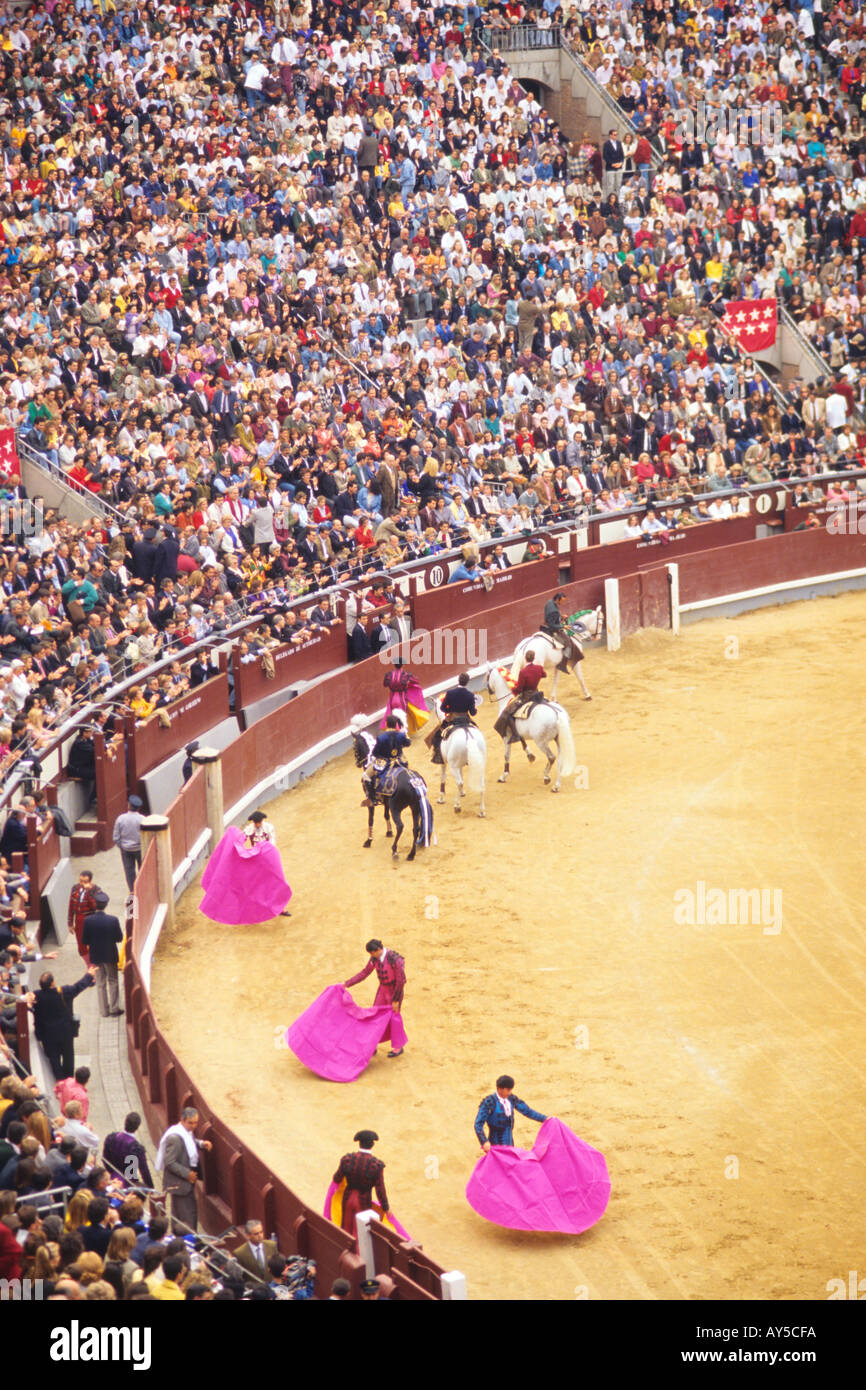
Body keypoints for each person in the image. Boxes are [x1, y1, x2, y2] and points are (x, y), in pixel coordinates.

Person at [29, 967, 97, 1080]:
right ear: (53, 983)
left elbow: (27, 1000)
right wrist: (89, 975)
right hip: (65, 1032)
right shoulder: (64, 992)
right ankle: (69, 1080)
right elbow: (78, 986)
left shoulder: (37, 996)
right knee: (68, 1057)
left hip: (47, 1034)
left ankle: (59, 1081)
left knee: (53, 1058)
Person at [344, 939, 406, 1059]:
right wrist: (347, 983)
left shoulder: (394, 959)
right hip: (383, 989)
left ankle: (398, 1047)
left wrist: (396, 999)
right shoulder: (374, 958)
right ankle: (372, 1045)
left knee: (394, 1017)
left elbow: (400, 980)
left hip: (394, 990)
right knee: (375, 1015)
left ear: (378, 950)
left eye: (372, 953)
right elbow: (364, 973)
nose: (371, 956)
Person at [156, 1107, 213, 1235]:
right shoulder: (175, 1138)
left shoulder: (184, 1132)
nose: (194, 1126)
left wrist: (200, 1144)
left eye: (196, 1123)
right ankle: (188, 1243)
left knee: (181, 1215)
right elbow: (169, 1162)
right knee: (187, 1216)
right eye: (190, 1123)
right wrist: (187, 1174)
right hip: (180, 1183)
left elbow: (189, 1143)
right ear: (182, 1120)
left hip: (183, 1183)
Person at [332, 1130, 390, 1237]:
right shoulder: (376, 1165)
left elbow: (336, 1178)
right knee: (361, 1234)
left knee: (346, 1231)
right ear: (372, 1144)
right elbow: (380, 1190)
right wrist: (386, 1208)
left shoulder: (347, 1160)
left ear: (359, 1143)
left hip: (348, 1198)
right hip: (363, 1201)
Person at [80, 891, 124, 1019]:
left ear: (95, 904)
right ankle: (114, 1008)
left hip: (96, 956)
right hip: (110, 955)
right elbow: (119, 938)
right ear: (106, 905)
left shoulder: (88, 921)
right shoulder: (113, 920)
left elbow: (84, 941)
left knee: (100, 983)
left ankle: (104, 1011)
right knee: (113, 980)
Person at [474, 1075, 547, 1151]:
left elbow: (527, 1111)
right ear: (499, 1089)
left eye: (511, 1090)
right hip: (495, 1145)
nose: (510, 1092)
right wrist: (484, 1141)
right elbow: (478, 1124)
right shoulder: (489, 1102)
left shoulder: (511, 1099)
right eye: (508, 1090)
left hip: (509, 1143)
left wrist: (545, 1119)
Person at [493, 650, 548, 741]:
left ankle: (515, 735)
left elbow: (519, 689)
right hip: (537, 694)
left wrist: (513, 689)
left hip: (526, 697)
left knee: (507, 712)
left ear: (525, 659)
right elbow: (544, 675)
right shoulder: (539, 668)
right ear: (533, 658)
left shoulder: (523, 672)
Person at [426, 672, 479, 765]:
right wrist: (475, 709)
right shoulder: (470, 695)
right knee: (476, 731)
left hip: (452, 719)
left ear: (458, 681)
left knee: (438, 735)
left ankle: (438, 756)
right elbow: (473, 713)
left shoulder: (450, 693)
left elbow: (442, 708)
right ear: (467, 682)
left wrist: (451, 710)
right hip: (465, 720)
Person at [365, 715, 411, 803]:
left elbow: (375, 753)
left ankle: (373, 799)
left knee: (365, 776)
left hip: (385, 763)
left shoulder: (381, 737)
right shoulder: (401, 735)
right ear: (396, 724)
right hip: (401, 761)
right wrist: (405, 735)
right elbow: (408, 743)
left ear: (386, 724)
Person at [103, 1112, 153, 1190]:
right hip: (129, 1184)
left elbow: (105, 1159)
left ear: (125, 1123)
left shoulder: (111, 1138)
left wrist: (112, 1173)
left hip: (113, 1179)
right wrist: (151, 1188)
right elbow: (144, 1171)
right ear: (137, 1127)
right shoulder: (136, 1148)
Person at [381, 659, 429, 734]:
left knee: (394, 717)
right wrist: (407, 684)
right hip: (402, 700)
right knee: (403, 717)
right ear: (403, 665)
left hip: (392, 699)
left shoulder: (389, 675)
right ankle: (404, 735)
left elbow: (385, 684)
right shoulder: (406, 675)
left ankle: (396, 733)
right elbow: (416, 681)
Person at [540, 591, 580, 670]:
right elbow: (552, 625)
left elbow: (551, 617)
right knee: (568, 642)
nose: (563, 602)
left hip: (544, 626)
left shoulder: (549, 602)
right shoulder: (554, 610)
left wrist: (561, 617)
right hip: (551, 630)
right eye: (562, 601)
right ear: (557, 599)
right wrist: (563, 626)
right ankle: (563, 663)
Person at [112, 796, 144, 891]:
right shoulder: (142, 819)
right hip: (139, 849)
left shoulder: (121, 819)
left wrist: (122, 847)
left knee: (129, 871)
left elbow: (116, 837)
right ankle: (141, 890)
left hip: (126, 850)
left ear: (129, 805)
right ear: (139, 808)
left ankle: (132, 891)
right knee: (142, 870)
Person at [67, 872, 99, 964]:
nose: (82, 883)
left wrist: (89, 892)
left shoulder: (95, 890)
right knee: (81, 945)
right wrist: (70, 923)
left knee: (91, 944)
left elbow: (94, 907)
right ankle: (89, 965)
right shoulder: (75, 888)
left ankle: (93, 965)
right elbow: (71, 906)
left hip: (90, 920)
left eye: (84, 882)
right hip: (79, 920)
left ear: (90, 881)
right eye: (80, 881)